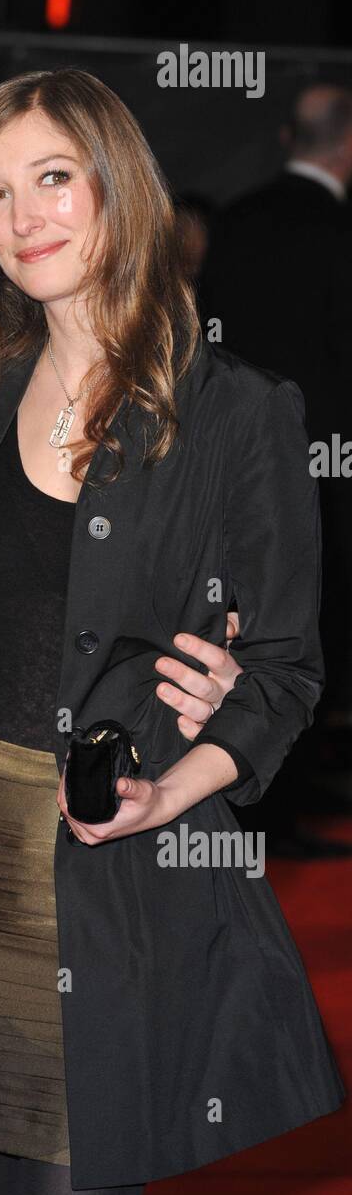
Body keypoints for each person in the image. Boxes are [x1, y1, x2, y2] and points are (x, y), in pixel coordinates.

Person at [0, 68, 346, 1195]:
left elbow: (283, 670)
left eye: (52, 179)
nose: (22, 219)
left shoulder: (235, 415)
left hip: (109, 883)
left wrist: (179, 776)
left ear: (116, 188)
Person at [199, 86, 352, 838]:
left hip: (226, 456)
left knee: (242, 622)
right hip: (323, 466)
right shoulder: (338, 229)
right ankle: (290, 792)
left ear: (288, 134)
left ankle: (264, 793)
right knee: (301, 628)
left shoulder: (238, 218)